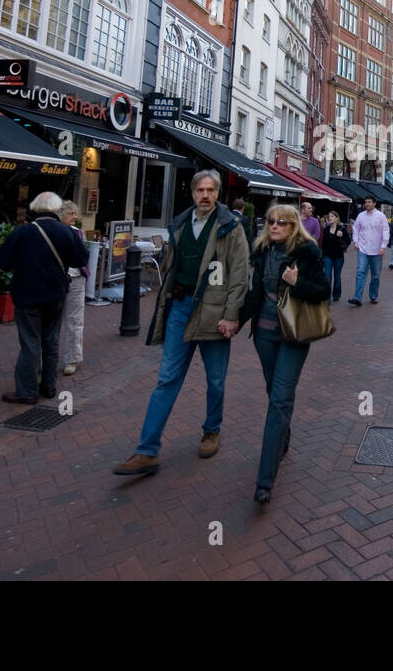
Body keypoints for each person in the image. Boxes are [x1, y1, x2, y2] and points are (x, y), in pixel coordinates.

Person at [113, 171, 250, 475]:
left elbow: (240, 274)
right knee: (167, 379)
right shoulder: (179, 224)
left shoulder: (231, 227)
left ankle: (212, 430)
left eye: (210, 190)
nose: (205, 195)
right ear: (192, 193)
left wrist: (231, 314)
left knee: (215, 379)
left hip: (214, 313)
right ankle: (147, 450)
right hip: (180, 307)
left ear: (217, 194)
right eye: (200, 190)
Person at [238, 204, 331, 504]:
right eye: (270, 222)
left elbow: (322, 290)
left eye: (281, 222)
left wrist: (296, 282)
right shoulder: (262, 251)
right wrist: (234, 322)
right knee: (273, 392)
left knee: (280, 398)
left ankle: (265, 479)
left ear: (293, 226)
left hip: (293, 334)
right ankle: (283, 434)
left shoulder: (307, 252)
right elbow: (254, 294)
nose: (274, 226)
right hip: (264, 335)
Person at [0, 192, 89, 405]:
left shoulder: (22, 233)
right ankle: (48, 385)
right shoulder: (66, 232)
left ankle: (27, 391)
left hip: (27, 293)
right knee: (51, 339)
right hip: (56, 293)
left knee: (30, 342)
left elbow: (4, 262)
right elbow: (81, 259)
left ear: (35, 208)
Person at [58, 200, 89, 377]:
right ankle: (45, 359)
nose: (75, 217)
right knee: (51, 322)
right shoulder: (53, 232)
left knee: (75, 321)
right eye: (71, 214)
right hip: (58, 279)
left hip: (76, 279)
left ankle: (72, 359)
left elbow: (83, 256)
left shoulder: (77, 234)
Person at [348, 194, 389, 307]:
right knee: (360, 272)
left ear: (374, 203)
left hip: (377, 251)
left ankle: (373, 296)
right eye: (366, 202)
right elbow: (356, 229)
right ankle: (357, 297)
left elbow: (386, 231)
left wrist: (383, 246)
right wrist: (355, 241)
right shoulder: (361, 216)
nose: (367, 204)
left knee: (375, 275)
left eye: (369, 202)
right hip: (363, 249)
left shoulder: (381, 216)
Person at [321, 210, 349, 302]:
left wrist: (341, 236)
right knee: (327, 277)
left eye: (332, 216)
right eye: (329, 217)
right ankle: (327, 297)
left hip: (338, 256)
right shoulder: (326, 229)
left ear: (337, 218)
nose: (330, 218)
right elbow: (323, 243)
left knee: (337, 276)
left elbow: (348, 241)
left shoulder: (342, 229)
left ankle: (336, 294)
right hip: (327, 256)